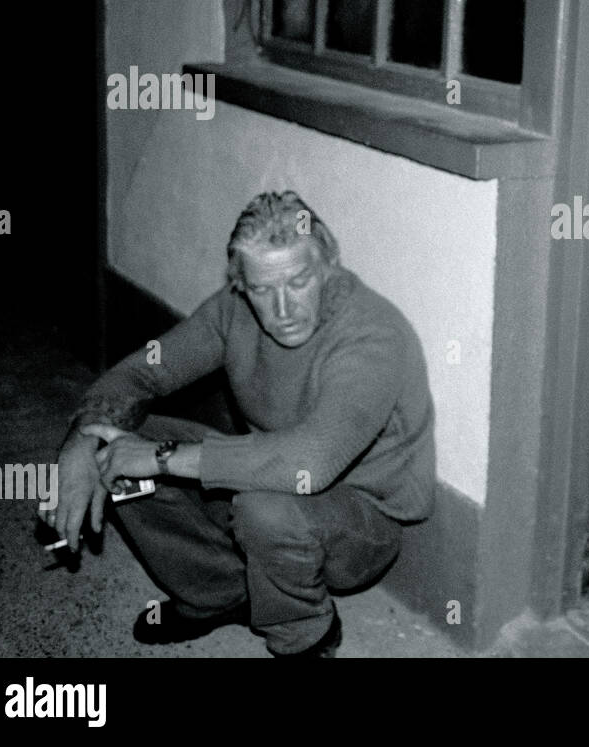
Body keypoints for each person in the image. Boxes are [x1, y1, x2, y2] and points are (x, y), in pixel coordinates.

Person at [43, 191, 436, 657]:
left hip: (361, 523)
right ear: (240, 284)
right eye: (263, 290)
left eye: (299, 281)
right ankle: (215, 592)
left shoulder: (374, 335)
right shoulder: (235, 308)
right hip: (272, 470)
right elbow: (144, 371)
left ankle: (305, 637)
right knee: (120, 443)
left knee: (260, 505)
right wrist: (83, 438)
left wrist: (161, 459)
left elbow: (309, 462)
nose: (283, 309)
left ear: (329, 265)